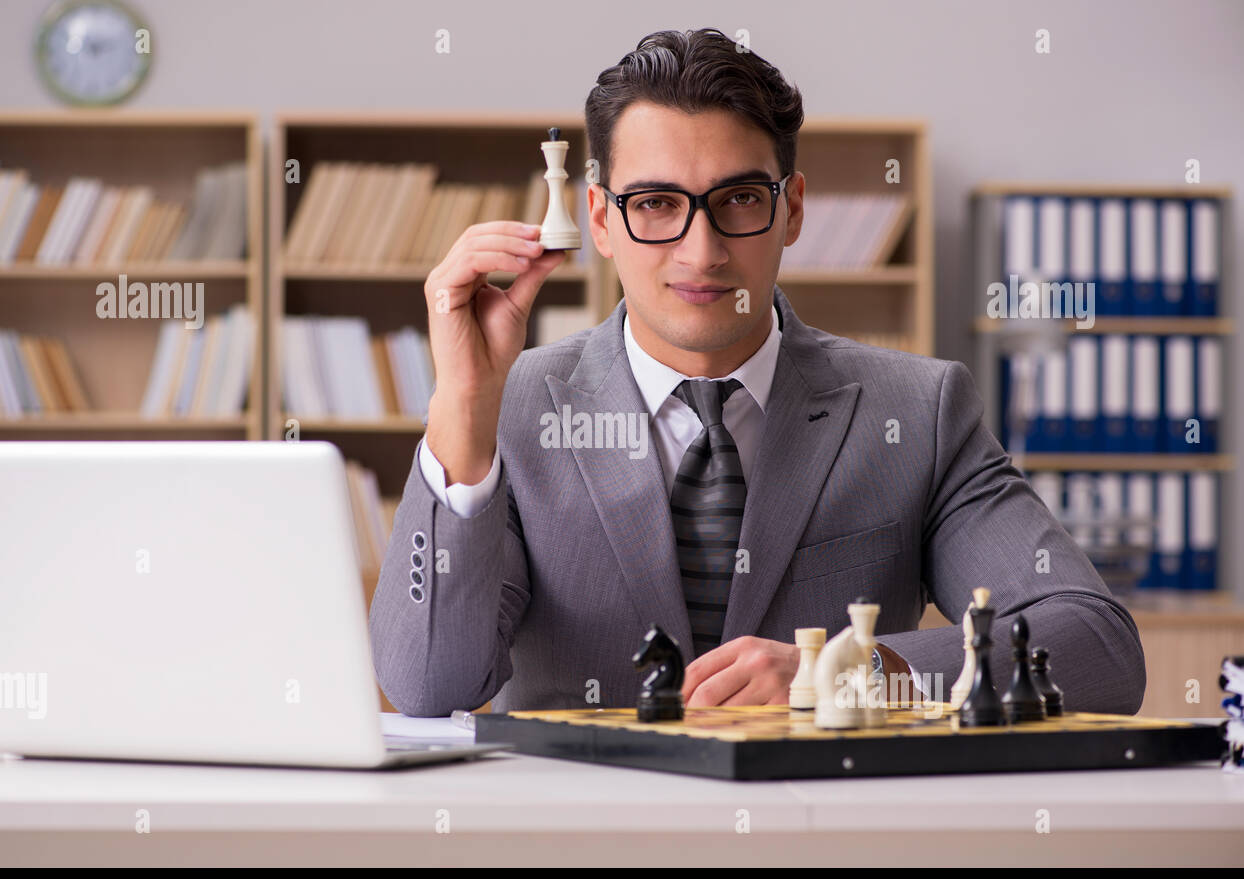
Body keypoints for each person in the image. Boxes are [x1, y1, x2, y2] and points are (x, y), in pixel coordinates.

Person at [369, 27, 1144, 717]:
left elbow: (1097, 648)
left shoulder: (920, 411)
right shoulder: (516, 407)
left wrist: (852, 668)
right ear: (601, 219)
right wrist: (464, 407)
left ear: (793, 208)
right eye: (656, 204)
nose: (701, 250)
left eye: (739, 199)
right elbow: (428, 685)